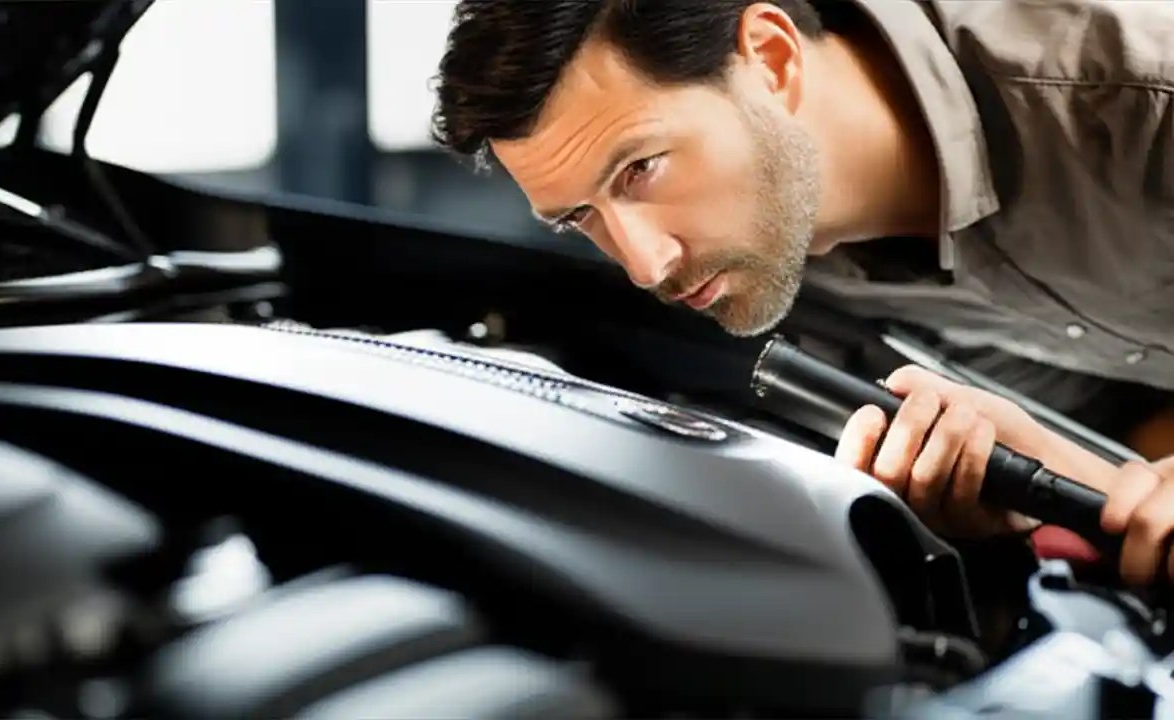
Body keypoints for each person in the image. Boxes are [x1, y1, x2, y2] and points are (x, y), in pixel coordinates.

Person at [427, 0, 1174, 582]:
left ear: (773, 60)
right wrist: (1055, 483)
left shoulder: (1146, 103)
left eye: (642, 169)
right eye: (581, 217)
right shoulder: (772, 277)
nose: (646, 266)